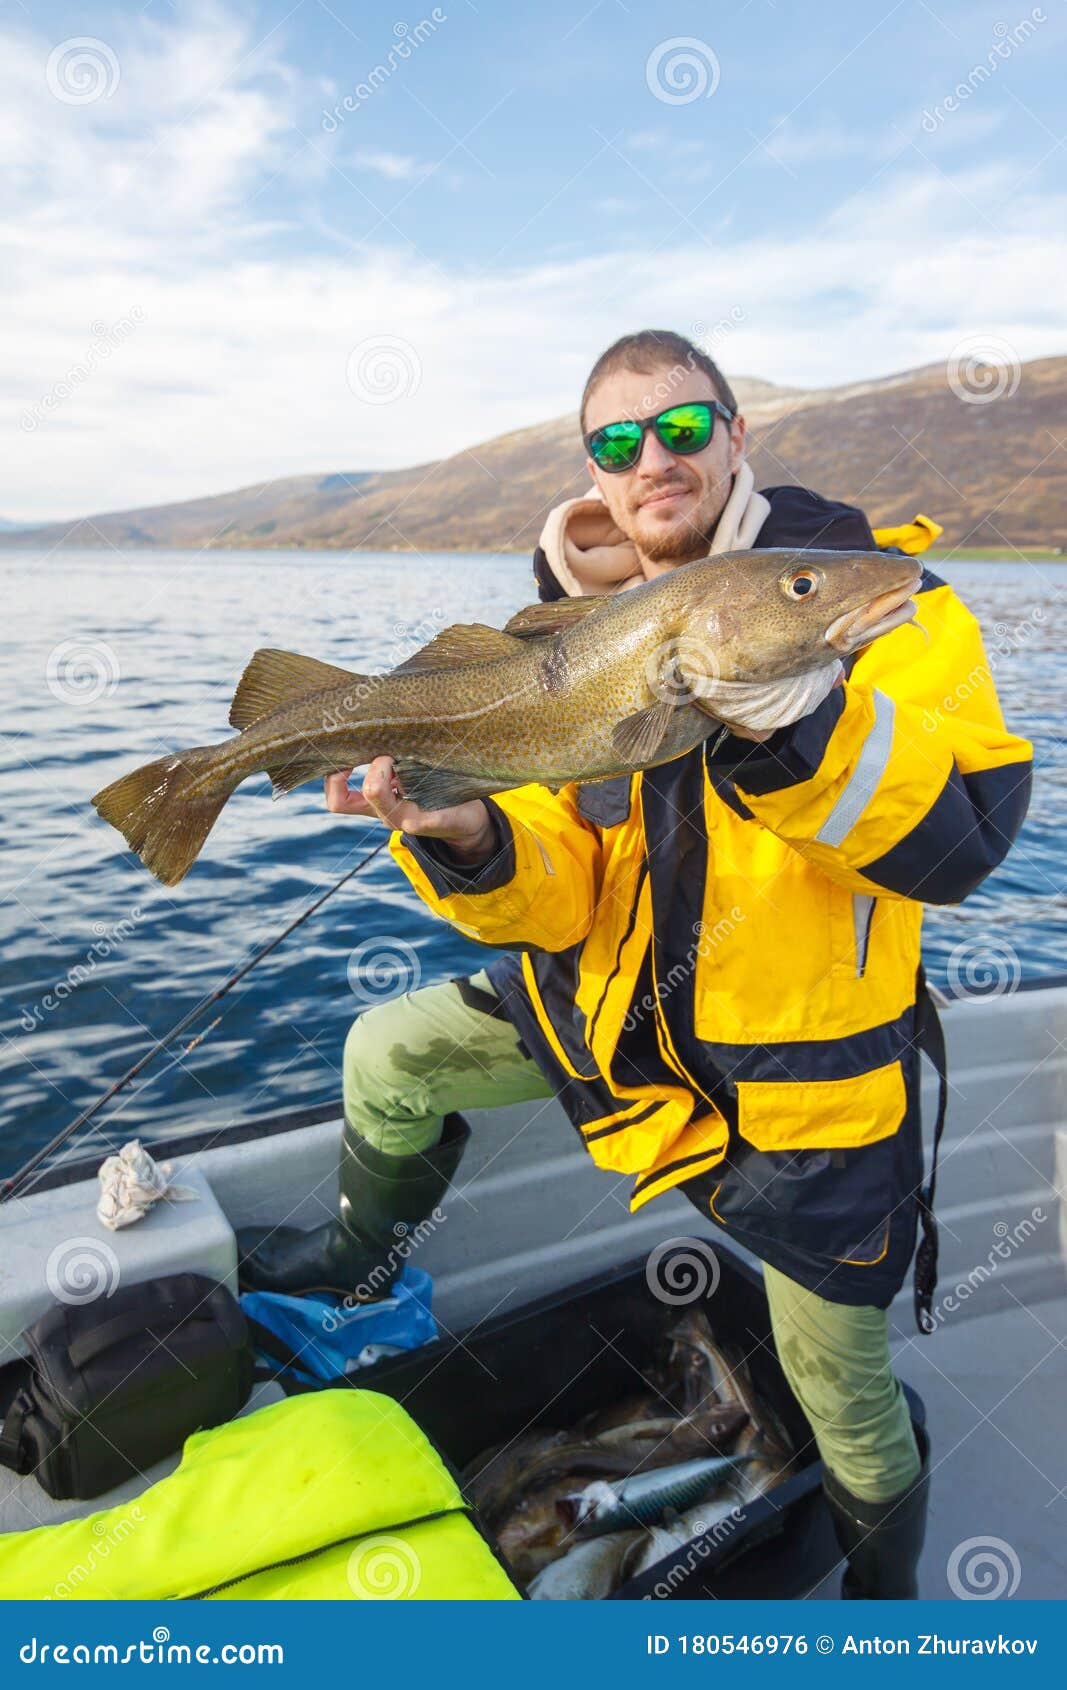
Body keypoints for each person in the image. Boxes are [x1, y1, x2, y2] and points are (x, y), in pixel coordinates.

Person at [238, 329, 1033, 1598]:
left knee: (841, 1395)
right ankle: (355, 1268)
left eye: (680, 427)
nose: (650, 459)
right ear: (592, 477)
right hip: (615, 1025)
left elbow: (961, 839)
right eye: (615, 441)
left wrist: (797, 711)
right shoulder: (555, 639)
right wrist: (466, 830)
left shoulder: (872, 601)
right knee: (386, 1049)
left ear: (736, 437)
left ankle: (890, 1610)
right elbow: (554, 894)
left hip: (796, 1084)